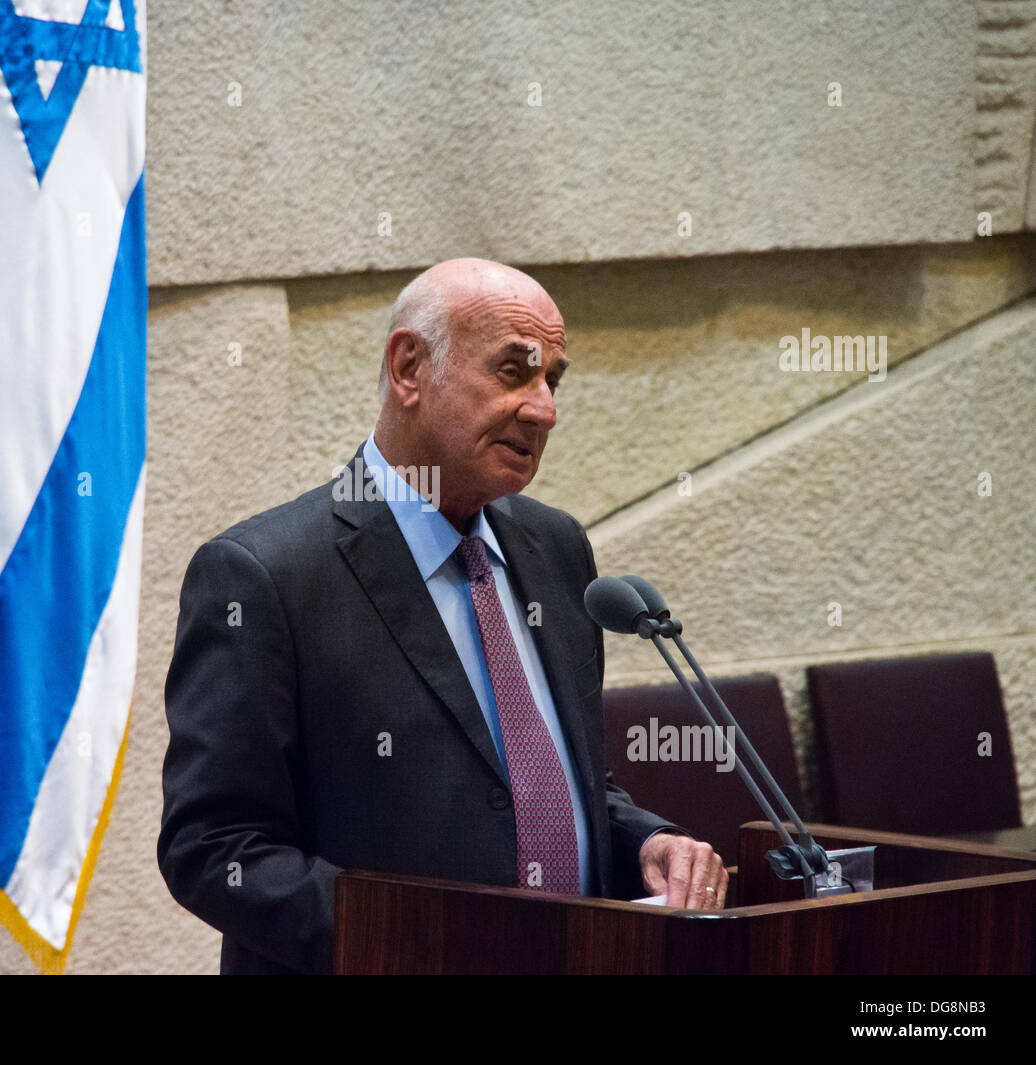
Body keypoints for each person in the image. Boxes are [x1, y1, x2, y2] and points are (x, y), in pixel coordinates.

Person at [157, 258, 727, 974]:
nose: (544, 407)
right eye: (514, 371)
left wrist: (643, 841)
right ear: (408, 367)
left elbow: (559, 782)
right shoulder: (264, 574)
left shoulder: (555, 548)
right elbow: (214, 847)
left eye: (553, 378)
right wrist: (423, 939)